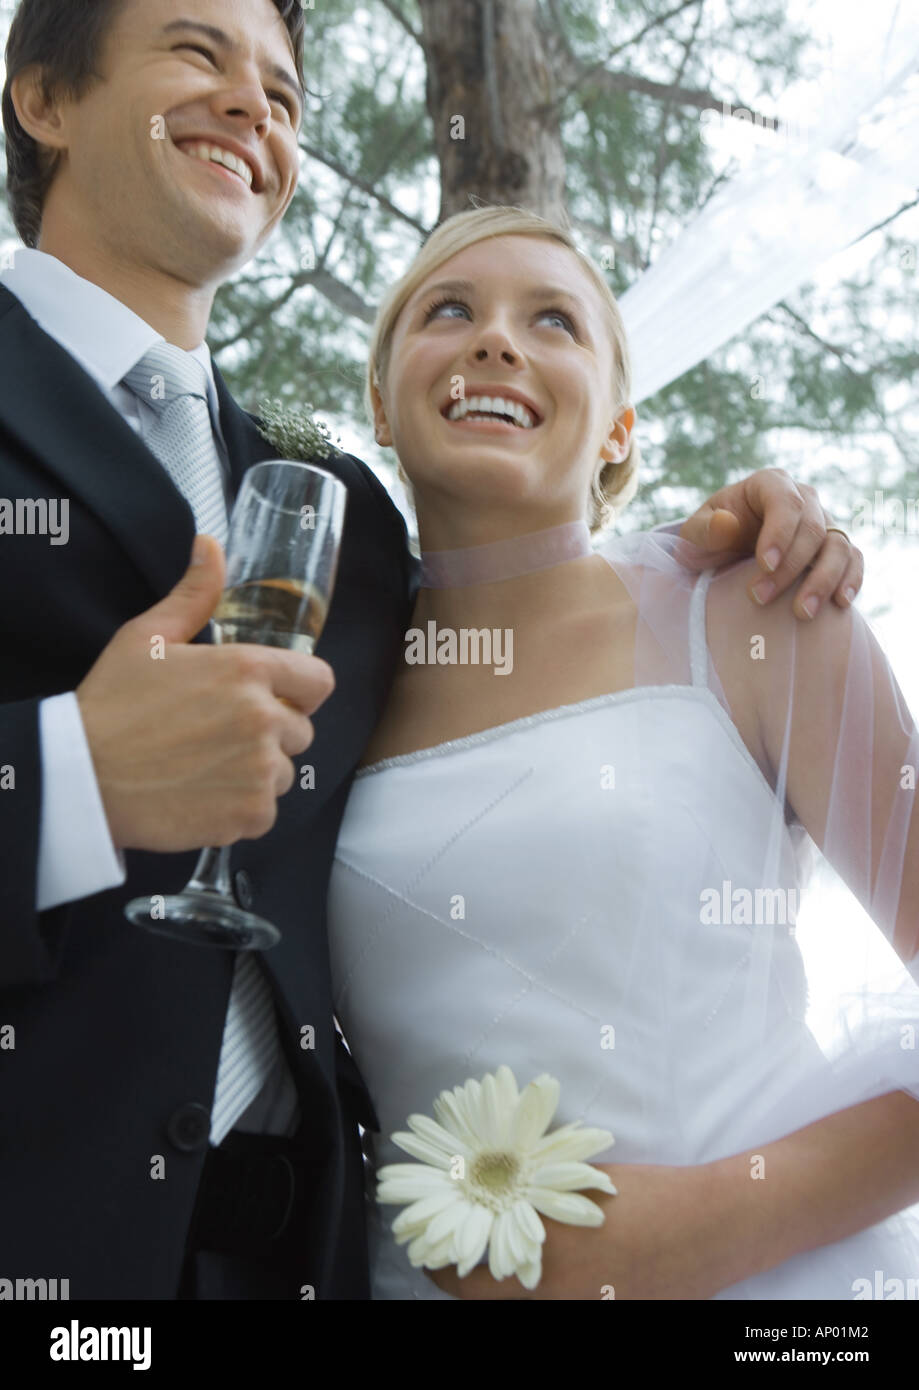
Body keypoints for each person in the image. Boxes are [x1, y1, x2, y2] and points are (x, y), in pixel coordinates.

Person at [0, 0, 868, 1301]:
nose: (254, 104)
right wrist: (68, 777)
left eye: (286, 95)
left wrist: (757, 528)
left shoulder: (330, 531)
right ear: (42, 99)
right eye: (198, 51)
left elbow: (533, 620)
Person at [326, 205, 919, 1300]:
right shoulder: (320, 681)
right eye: (448, 309)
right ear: (379, 399)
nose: (495, 339)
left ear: (618, 431)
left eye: (552, 320)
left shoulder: (753, 612)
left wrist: (700, 1229)